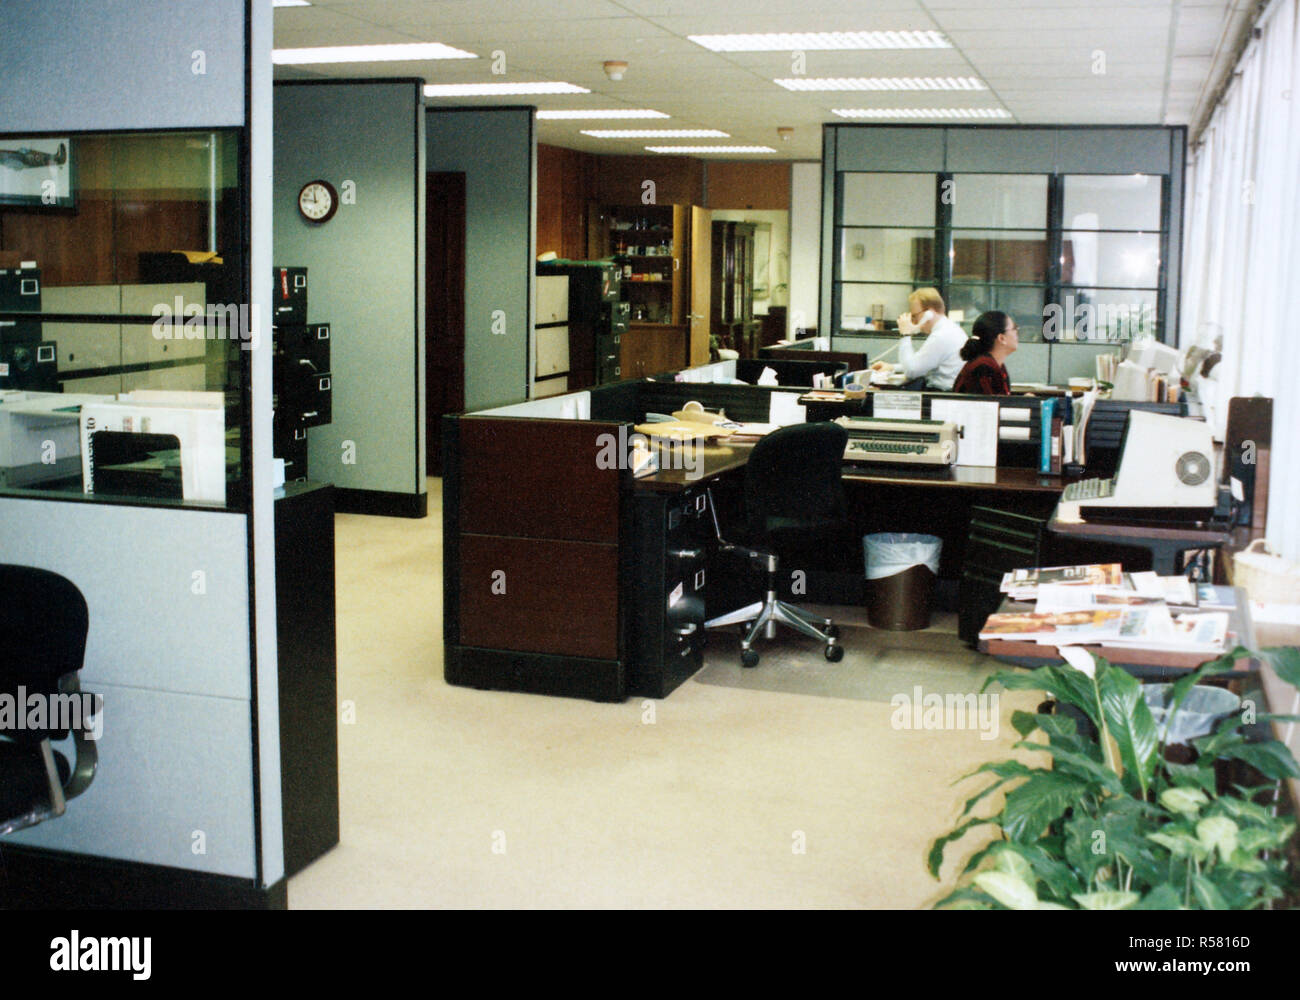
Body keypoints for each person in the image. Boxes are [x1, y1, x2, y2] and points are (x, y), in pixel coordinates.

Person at [894, 288, 967, 391]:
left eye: (915, 316)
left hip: (940, 395)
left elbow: (912, 371)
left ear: (929, 314)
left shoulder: (941, 335)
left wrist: (905, 335)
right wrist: (892, 368)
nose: (914, 321)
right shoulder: (948, 329)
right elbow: (923, 363)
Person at [952, 310, 1019, 395]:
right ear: (1001, 338)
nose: (1017, 332)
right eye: (1014, 328)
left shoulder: (996, 365)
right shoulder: (984, 367)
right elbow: (991, 405)